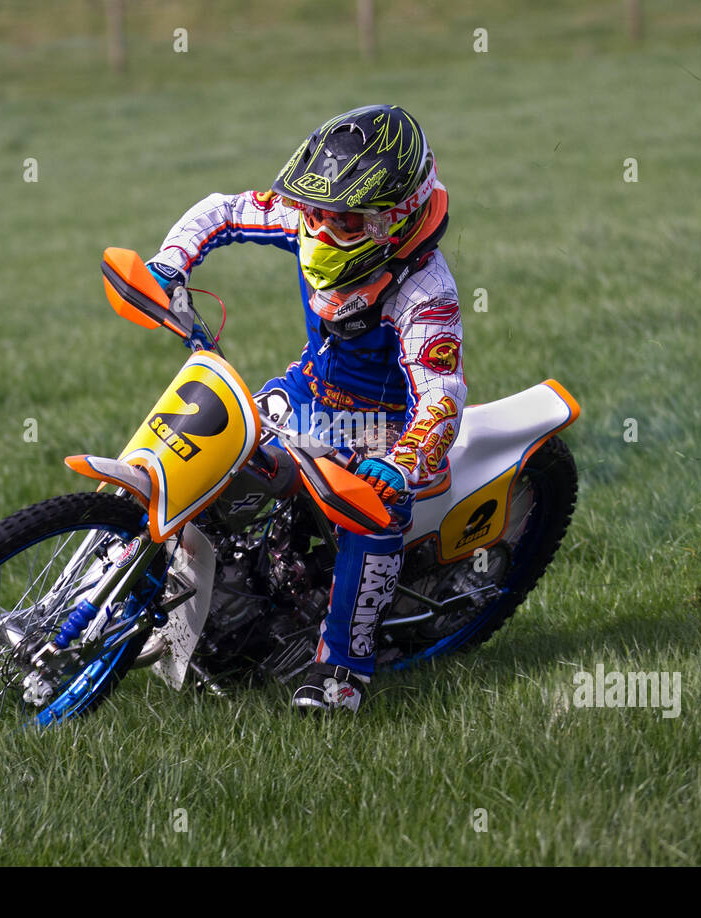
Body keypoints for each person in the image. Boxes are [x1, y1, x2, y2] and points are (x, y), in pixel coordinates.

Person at [145, 104, 465, 713]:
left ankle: (344, 668)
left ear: (391, 222)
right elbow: (222, 209)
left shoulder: (427, 293)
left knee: (371, 520)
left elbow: (442, 394)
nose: (318, 229)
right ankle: (135, 582)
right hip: (302, 392)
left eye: (342, 220)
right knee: (202, 439)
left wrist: (404, 462)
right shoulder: (312, 219)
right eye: (315, 212)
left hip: (379, 431)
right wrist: (171, 263)